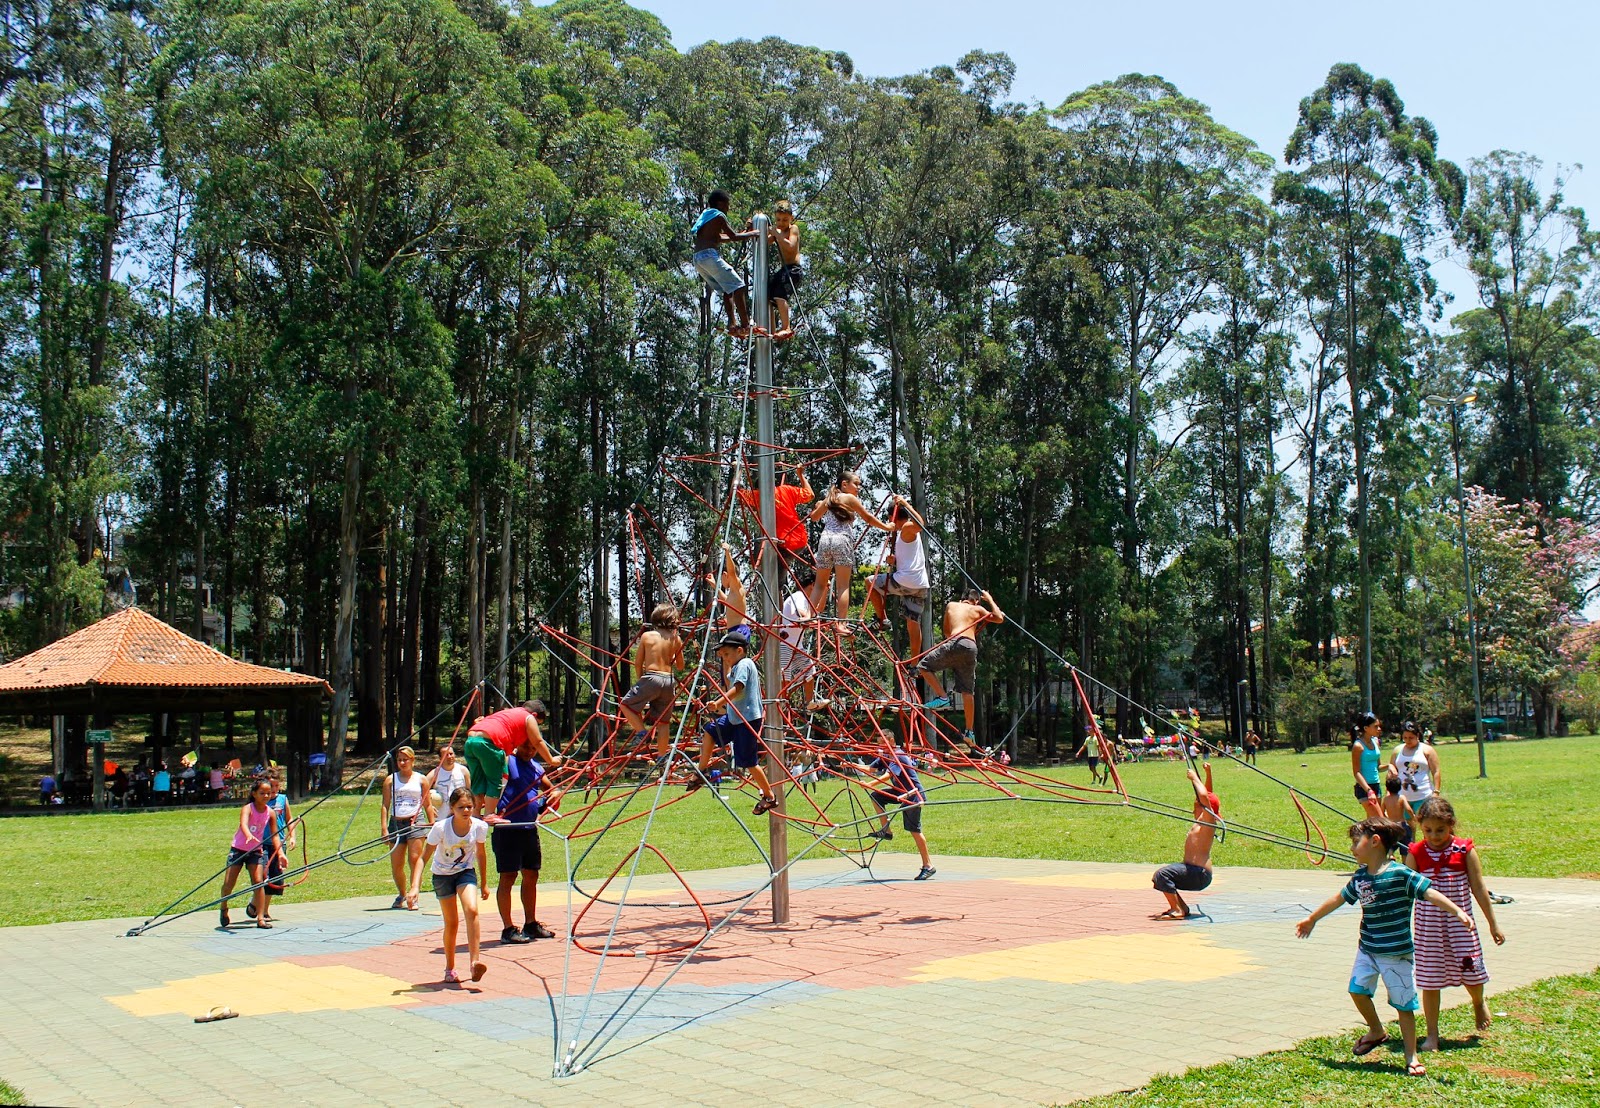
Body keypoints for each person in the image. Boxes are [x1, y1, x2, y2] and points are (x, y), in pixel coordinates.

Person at [1295, 817, 1477, 1078]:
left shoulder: (1401, 874)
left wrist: (1457, 911)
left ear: (1375, 842)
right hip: (1368, 949)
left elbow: (1429, 893)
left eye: (1356, 843)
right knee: (1357, 991)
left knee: (1403, 1006)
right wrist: (1312, 918)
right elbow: (1338, 899)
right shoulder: (1360, 878)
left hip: (1397, 954)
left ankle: (1411, 1056)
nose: (1352, 848)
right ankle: (1377, 1030)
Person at [1404, 796, 1506, 1052]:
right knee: (1430, 980)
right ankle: (1432, 1035)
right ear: (1420, 826)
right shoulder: (1416, 852)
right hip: (1429, 929)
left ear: (1451, 825)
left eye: (1440, 830)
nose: (1434, 836)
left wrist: (1493, 924)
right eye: (1428, 830)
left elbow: (1480, 888)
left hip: (1461, 926)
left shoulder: (1465, 850)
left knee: (1471, 968)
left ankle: (1478, 1001)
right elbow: (1407, 891)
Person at [480, 737, 561, 945]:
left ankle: (531, 923)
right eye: (526, 746)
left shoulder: (535, 767)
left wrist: (551, 799)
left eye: (534, 748)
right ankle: (508, 928)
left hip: (529, 829)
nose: (529, 751)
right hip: (507, 829)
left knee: (531, 874)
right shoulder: (506, 761)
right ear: (517, 744)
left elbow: (551, 790)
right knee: (508, 876)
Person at [689, 632, 779, 815]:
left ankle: (770, 797)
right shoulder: (735, 667)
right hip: (734, 718)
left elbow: (738, 689)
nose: (725, 658)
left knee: (748, 761)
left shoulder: (745, 664)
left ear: (739, 650)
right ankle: (702, 770)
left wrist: (718, 703)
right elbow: (732, 687)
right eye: (722, 655)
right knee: (710, 731)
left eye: (727, 654)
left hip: (747, 720)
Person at [914, 587, 1005, 748]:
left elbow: (947, 632)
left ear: (962, 597)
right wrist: (990, 599)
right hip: (970, 647)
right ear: (976, 600)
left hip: (955, 642)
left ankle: (942, 697)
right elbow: (999, 618)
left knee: (924, 666)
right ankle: (969, 731)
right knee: (967, 691)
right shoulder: (978, 608)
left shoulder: (951, 605)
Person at [420, 787, 489, 985]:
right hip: (442, 875)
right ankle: (450, 967)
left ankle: (475, 962)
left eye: (469, 807)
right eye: (461, 807)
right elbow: (424, 857)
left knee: (472, 910)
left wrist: (484, 883)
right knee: (452, 923)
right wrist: (414, 886)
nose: (466, 811)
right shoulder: (441, 828)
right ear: (452, 808)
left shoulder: (479, 827)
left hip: (465, 872)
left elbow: (482, 854)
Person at [807, 471, 894, 621]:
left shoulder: (829, 499)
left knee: (819, 584)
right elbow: (868, 518)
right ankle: (841, 623)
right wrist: (887, 527)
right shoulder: (850, 498)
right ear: (844, 484)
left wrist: (820, 505)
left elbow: (814, 517)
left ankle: (808, 616)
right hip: (842, 540)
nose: (858, 488)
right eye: (856, 484)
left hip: (825, 540)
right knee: (843, 586)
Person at [464, 701, 560, 817]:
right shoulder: (528, 717)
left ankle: (476, 813)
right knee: (497, 780)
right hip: (489, 744)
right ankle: (489, 814)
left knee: (478, 780)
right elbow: (538, 741)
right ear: (534, 715)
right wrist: (551, 760)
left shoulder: (507, 714)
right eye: (538, 724)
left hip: (471, 741)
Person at [1150, 763, 1221, 920]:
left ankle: (1178, 910)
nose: (1192, 810)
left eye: (1195, 806)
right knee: (1164, 875)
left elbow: (1205, 797)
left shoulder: (1208, 820)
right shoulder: (1204, 819)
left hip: (1199, 874)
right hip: (1193, 871)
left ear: (1203, 808)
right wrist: (1208, 773)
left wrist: (1195, 777)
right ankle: (1181, 907)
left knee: (1162, 875)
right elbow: (1207, 794)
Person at [866, 496, 931, 660]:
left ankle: (882, 620)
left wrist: (905, 503)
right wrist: (894, 562)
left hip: (905, 581)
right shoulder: (904, 533)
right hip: (919, 584)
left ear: (891, 517)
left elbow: (920, 524)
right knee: (913, 623)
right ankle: (915, 663)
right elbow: (909, 558)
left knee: (869, 582)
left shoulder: (908, 527)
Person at [857, 743, 935, 881]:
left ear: (891, 741)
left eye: (882, 741)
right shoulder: (886, 756)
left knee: (914, 830)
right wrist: (849, 765)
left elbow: (888, 775)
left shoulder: (898, 756)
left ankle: (928, 866)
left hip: (913, 796)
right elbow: (871, 769)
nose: (879, 745)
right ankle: (886, 830)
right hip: (900, 792)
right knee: (876, 796)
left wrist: (869, 784)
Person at [620, 602, 686, 761]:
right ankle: (662, 757)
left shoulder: (647, 636)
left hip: (651, 677)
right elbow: (681, 666)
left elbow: (638, 662)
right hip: (669, 681)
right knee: (663, 721)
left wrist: (640, 679)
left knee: (625, 704)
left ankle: (642, 732)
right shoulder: (676, 639)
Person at [691, 189, 759, 337]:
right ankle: (746, 325)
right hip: (709, 256)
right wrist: (753, 233)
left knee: (727, 290)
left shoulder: (706, 217)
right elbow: (733, 236)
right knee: (738, 286)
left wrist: (745, 233)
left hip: (698, 259)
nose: (728, 208)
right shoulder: (719, 216)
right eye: (727, 205)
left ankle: (733, 324)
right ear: (721, 204)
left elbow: (721, 238)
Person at [219, 779, 277, 930]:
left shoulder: (270, 813)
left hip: (256, 851)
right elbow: (244, 824)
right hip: (238, 849)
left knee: (259, 882)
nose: (265, 796)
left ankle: (260, 918)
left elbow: (275, 835)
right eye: (262, 793)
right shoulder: (248, 808)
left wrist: (281, 853)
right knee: (228, 884)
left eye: (268, 793)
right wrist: (248, 835)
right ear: (254, 794)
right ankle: (224, 907)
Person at [381, 746, 430, 911]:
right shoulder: (390, 780)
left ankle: (414, 894)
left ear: (412, 760)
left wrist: (433, 824)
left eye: (405, 759)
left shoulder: (421, 779)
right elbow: (385, 806)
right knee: (396, 864)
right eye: (399, 760)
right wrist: (384, 829)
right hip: (396, 823)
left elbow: (428, 805)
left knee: (415, 860)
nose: (402, 762)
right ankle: (402, 893)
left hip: (415, 822)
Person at [737, 463, 813, 566]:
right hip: (800, 539)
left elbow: (736, 492)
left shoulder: (758, 496)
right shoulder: (786, 490)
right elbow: (810, 494)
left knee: (771, 574)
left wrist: (738, 471)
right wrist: (800, 475)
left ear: (758, 489)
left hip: (784, 543)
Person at [778, 563, 825, 711]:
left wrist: (825, 591)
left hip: (796, 645)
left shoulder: (807, 600)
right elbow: (801, 614)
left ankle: (809, 701)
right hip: (785, 643)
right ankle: (782, 701)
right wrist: (808, 619)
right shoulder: (798, 596)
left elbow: (818, 611)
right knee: (785, 675)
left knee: (810, 670)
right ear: (812, 585)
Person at [250, 769, 295, 922]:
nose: (274, 790)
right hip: (262, 844)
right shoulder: (261, 802)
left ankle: (265, 910)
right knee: (263, 876)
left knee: (274, 879)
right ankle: (256, 904)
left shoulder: (283, 799)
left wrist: (292, 836)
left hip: (279, 844)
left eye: (277, 786)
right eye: (271, 786)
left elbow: (289, 819)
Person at [766, 198, 802, 340]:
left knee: (780, 294)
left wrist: (776, 234)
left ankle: (786, 327)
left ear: (791, 218)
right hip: (783, 269)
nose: (781, 223)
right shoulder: (777, 232)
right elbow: (766, 241)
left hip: (793, 270)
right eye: (779, 220)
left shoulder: (793, 229)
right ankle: (772, 329)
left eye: (785, 220)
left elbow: (790, 246)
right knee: (769, 294)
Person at [1392, 721, 1442, 816]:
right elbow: (1392, 774)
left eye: (1411, 738)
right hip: (1402, 796)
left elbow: (1436, 771)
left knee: (1425, 824)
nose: (1408, 741)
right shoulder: (1397, 750)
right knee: (1406, 827)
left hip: (1423, 795)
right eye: (1405, 738)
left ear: (1417, 735)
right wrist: (1390, 793)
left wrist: (1436, 792)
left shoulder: (1427, 750)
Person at [1349, 711, 1389, 819]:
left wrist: (1391, 766)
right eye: (1376, 726)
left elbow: (1378, 767)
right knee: (1380, 819)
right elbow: (1356, 772)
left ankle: (1365, 836)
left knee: (1372, 822)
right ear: (1366, 728)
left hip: (1376, 785)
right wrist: (1368, 790)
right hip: (1364, 788)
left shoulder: (1375, 742)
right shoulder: (1358, 746)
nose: (1379, 729)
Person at [425, 744, 472, 815]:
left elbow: (469, 793)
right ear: (440, 758)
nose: (449, 757)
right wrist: (430, 806)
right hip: (441, 815)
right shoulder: (434, 773)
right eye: (446, 755)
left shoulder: (463, 771)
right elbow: (422, 791)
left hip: (460, 814)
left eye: (451, 754)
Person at [1379, 774, 1414, 850]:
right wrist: (1413, 817)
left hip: (1392, 825)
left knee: (1391, 844)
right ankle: (1405, 861)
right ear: (1399, 787)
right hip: (1402, 825)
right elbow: (1408, 809)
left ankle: (1391, 855)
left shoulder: (1385, 799)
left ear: (1387, 788)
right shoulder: (1401, 798)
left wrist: (1387, 819)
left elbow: (1381, 812)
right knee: (1405, 848)